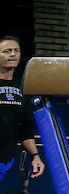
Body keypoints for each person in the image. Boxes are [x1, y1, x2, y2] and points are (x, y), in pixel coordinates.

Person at [0, 36, 42, 185]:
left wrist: (35, 156)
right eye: (7, 51)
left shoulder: (23, 89)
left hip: (4, 158)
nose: (13, 54)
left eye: (16, 51)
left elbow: (25, 129)